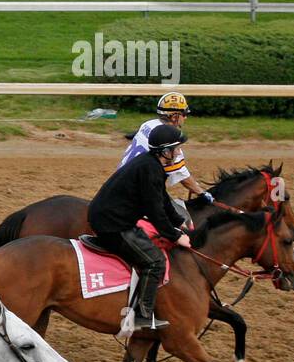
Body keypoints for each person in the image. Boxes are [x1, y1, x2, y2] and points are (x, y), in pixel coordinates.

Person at [90, 123, 193, 341]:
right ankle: (142, 316)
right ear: (165, 151)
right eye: (175, 149)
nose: (178, 152)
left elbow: (162, 198)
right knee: (155, 261)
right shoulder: (150, 169)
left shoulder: (152, 166)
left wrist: (179, 221)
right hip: (112, 224)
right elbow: (154, 211)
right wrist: (176, 236)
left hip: (113, 218)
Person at [120, 92, 214, 225]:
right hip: (137, 190)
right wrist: (202, 193)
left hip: (122, 179)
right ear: (175, 116)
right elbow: (181, 175)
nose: (185, 118)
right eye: (184, 114)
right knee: (182, 221)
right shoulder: (169, 139)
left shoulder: (148, 123)